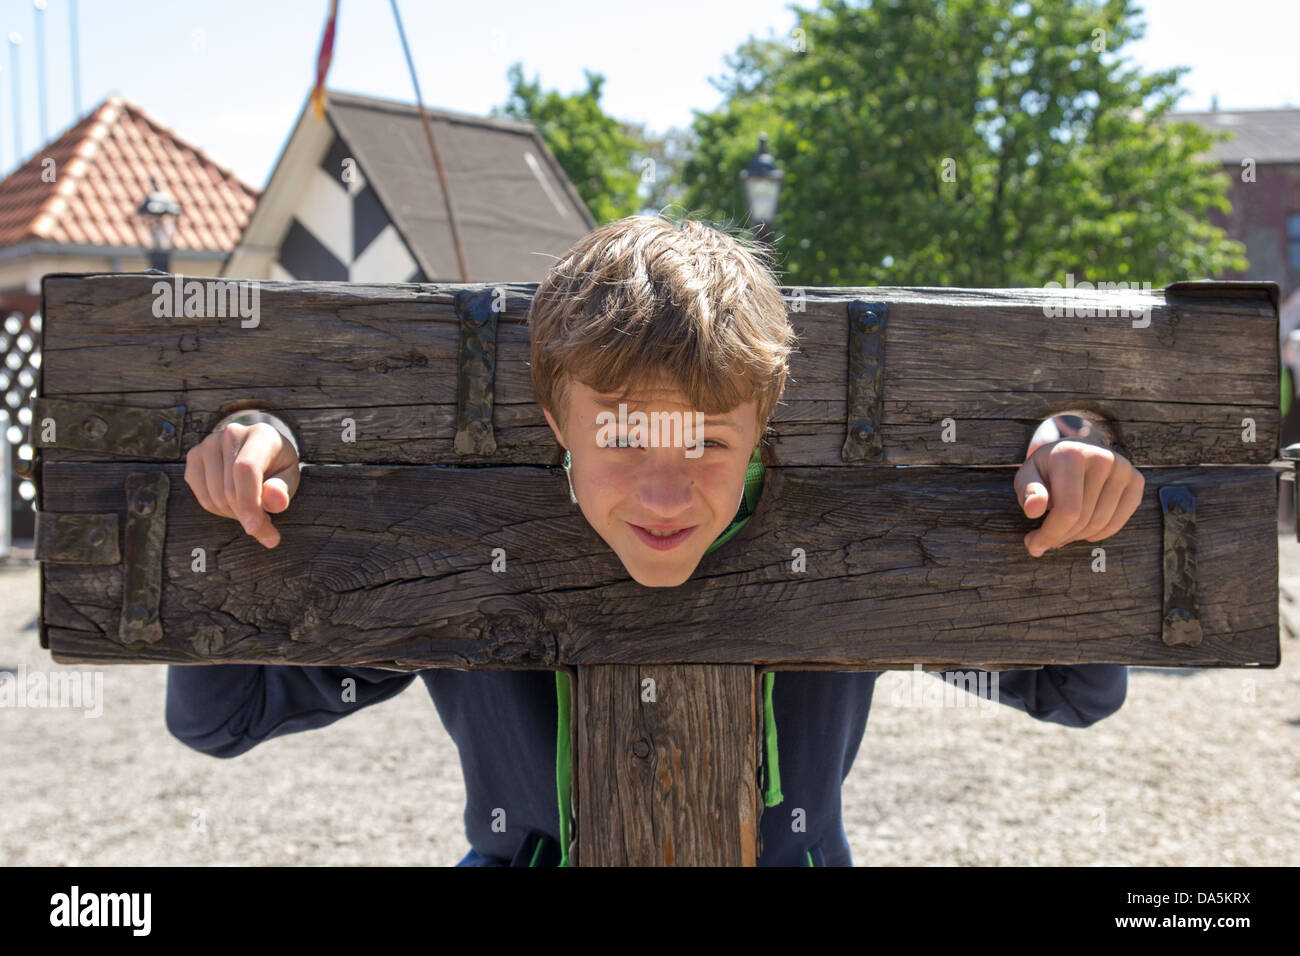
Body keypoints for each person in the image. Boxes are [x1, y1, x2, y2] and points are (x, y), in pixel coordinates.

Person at [166, 215, 1142, 866]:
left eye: (711, 441)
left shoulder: (852, 551)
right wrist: (236, 509)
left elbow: (1073, 685)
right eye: (625, 435)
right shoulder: (448, 548)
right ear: (552, 420)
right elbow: (223, 713)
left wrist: (1075, 481)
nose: (667, 488)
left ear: (766, 427)